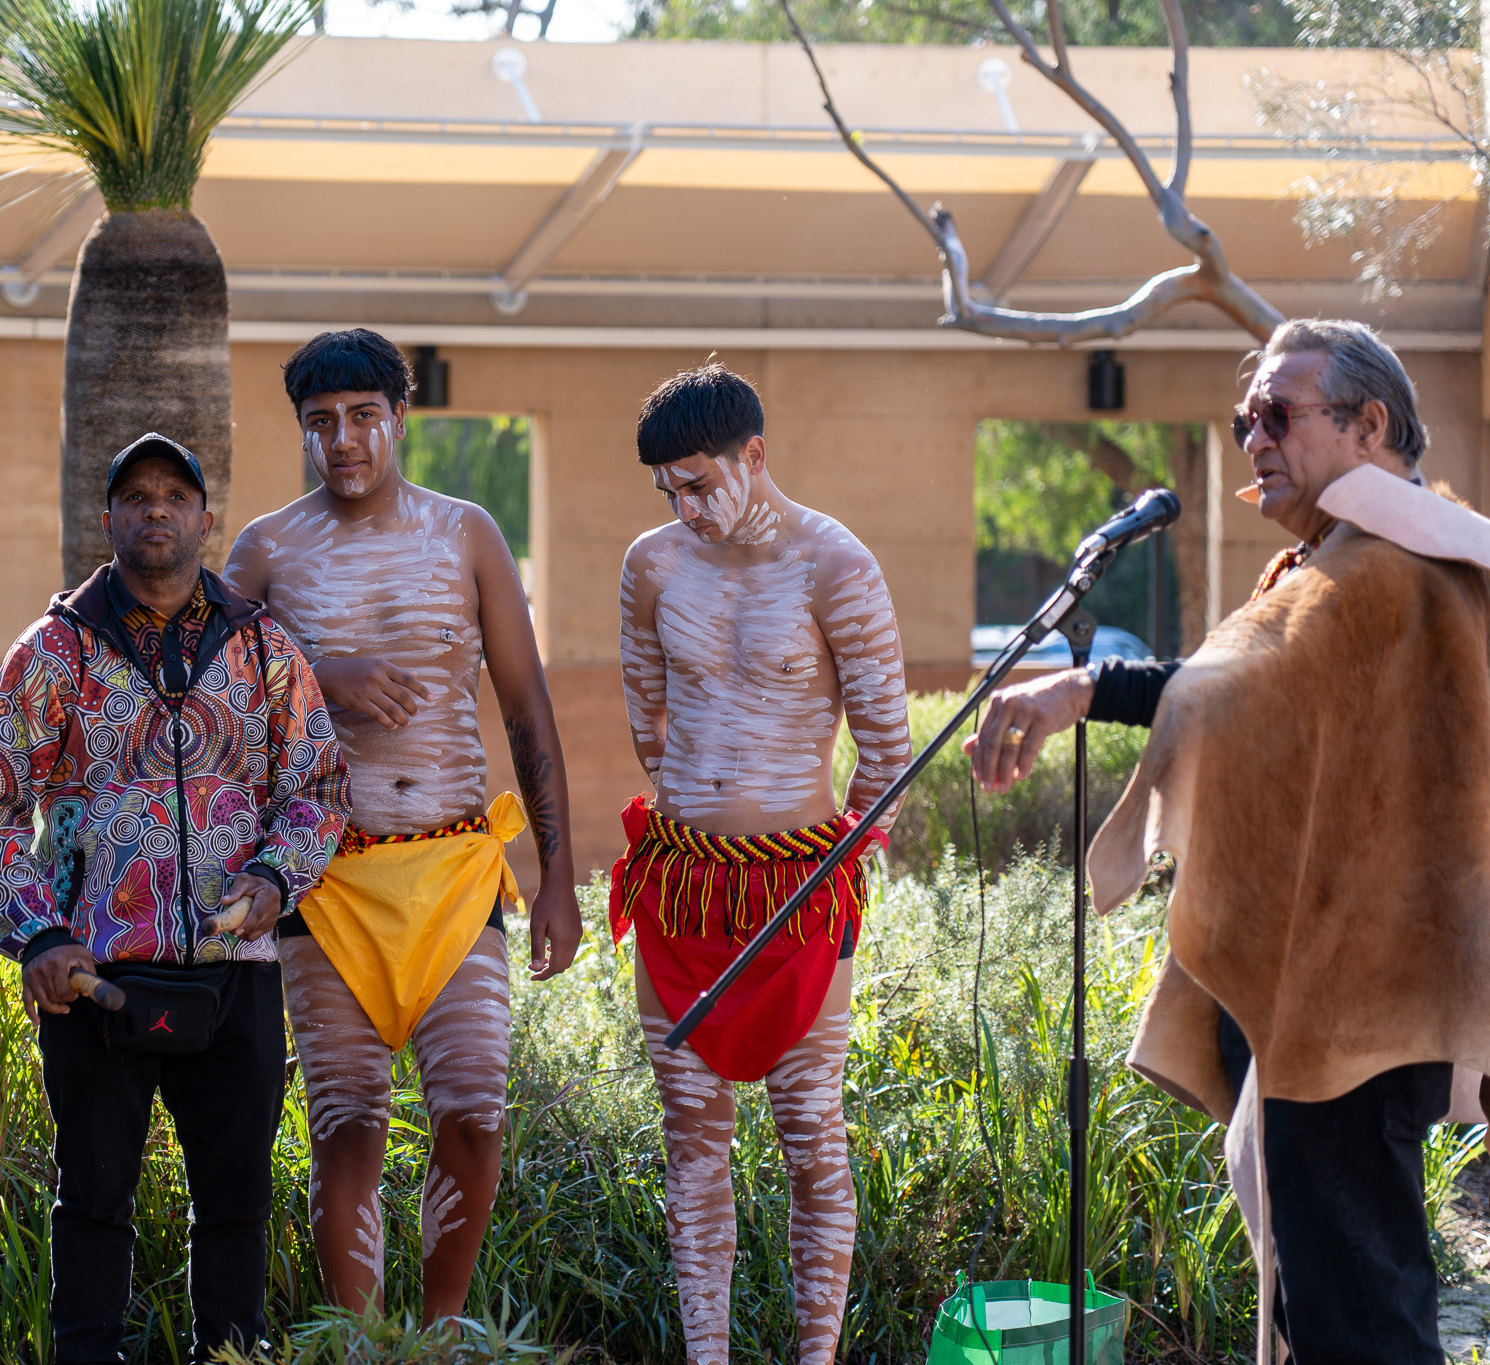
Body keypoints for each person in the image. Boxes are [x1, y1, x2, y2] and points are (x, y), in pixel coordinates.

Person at [970, 319, 1490, 1365]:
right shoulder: (1346, 563)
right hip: (1333, 991)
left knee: (1357, 1314)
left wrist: (1086, 685)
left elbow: (1240, 695)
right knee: (1325, 1294)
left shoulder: (1392, 566)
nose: (1251, 435)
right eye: (1242, 416)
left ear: (1368, 424)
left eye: (1277, 413)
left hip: (1360, 998)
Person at [222, 328, 583, 1323]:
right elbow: (203, 704)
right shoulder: (265, 550)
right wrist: (316, 677)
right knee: (345, 1129)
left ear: (398, 419)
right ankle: (358, 1347)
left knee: (472, 1117)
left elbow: (525, 708)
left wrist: (556, 874)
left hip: (457, 872)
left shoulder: (463, 533)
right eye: (319, 423)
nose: (341, 440)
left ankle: (435, 1339)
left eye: (360, 418)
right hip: (327, 882)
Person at [0, 433, 350, 1364]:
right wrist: (38, 936)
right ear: (109, 521)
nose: (156, 510)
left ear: (205, 518)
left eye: (175, 495)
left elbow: (321, 786)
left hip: (236, 976)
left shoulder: (263, 647)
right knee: (92, 1204)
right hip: (96, 978)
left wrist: (273, 877)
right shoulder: (52, 650)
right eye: (135, 496)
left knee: (237, 1209)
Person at [611, 363, 911, 1365]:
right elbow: (648, 723)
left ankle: (812, 1358)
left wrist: (827, 869)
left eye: (698, 483)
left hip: (799, 893)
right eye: (668, 492)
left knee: (808, 1131)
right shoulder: (649, 566)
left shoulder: (834, 564)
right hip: (684, 887)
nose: (684, 509)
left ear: (753, 456)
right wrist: (707, 811)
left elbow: (886, 752)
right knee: (691, 1140)